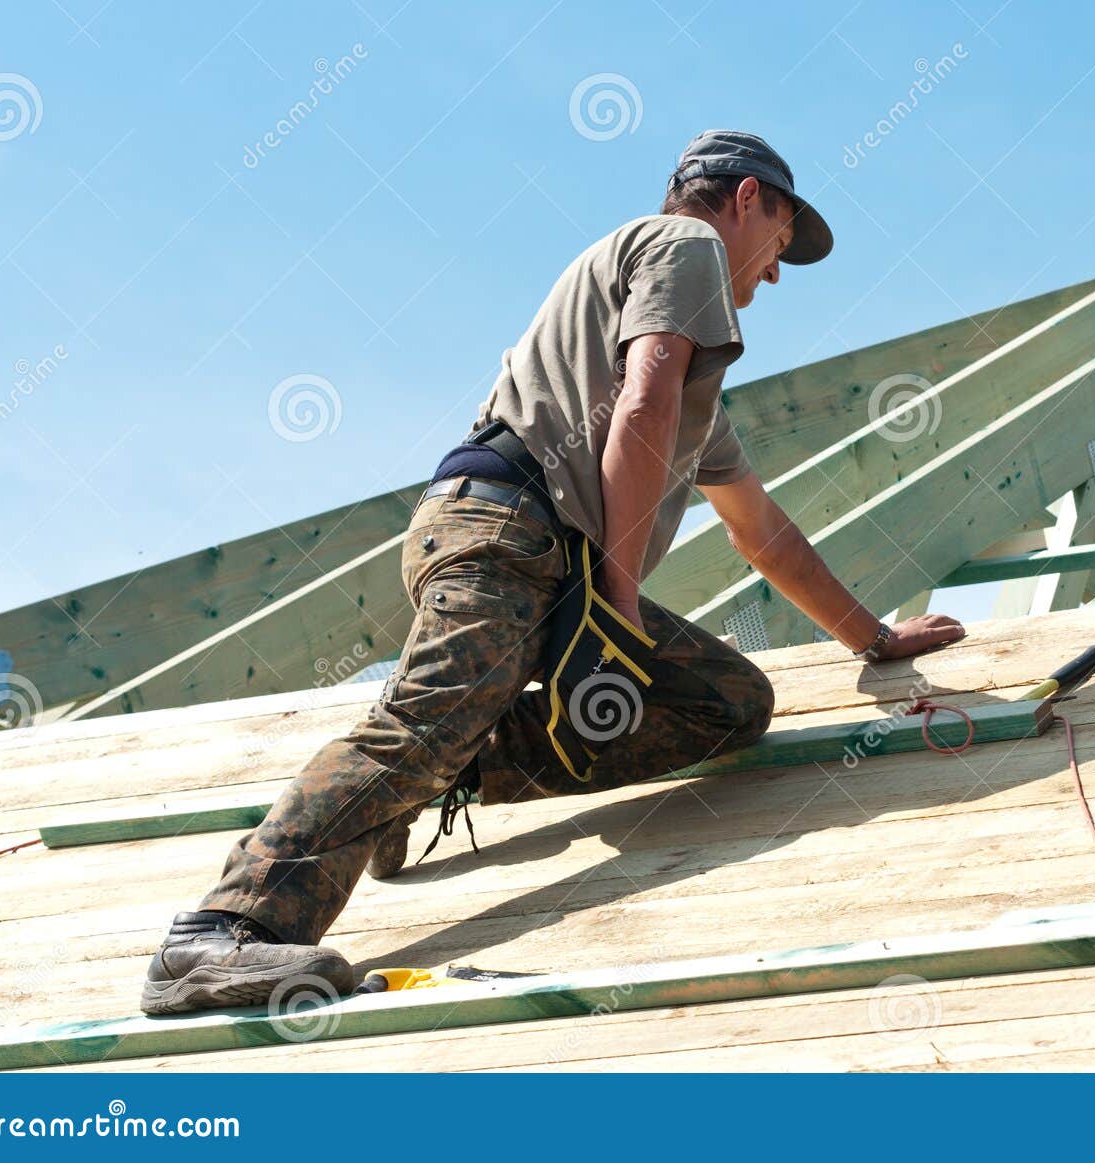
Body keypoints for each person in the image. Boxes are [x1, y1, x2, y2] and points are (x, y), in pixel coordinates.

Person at [141, 129, 966, 1016]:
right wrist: (617, 600)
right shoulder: (684, 245)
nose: (773, 274)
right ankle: (221, 936)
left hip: (556, 564)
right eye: (780, 241)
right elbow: (641, 404)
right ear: (743, 199)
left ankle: (459, 768)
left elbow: (761, 532)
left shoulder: (697, 399)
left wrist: (872, 638)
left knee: (728, 700)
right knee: (425, 720)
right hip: (504, 530)